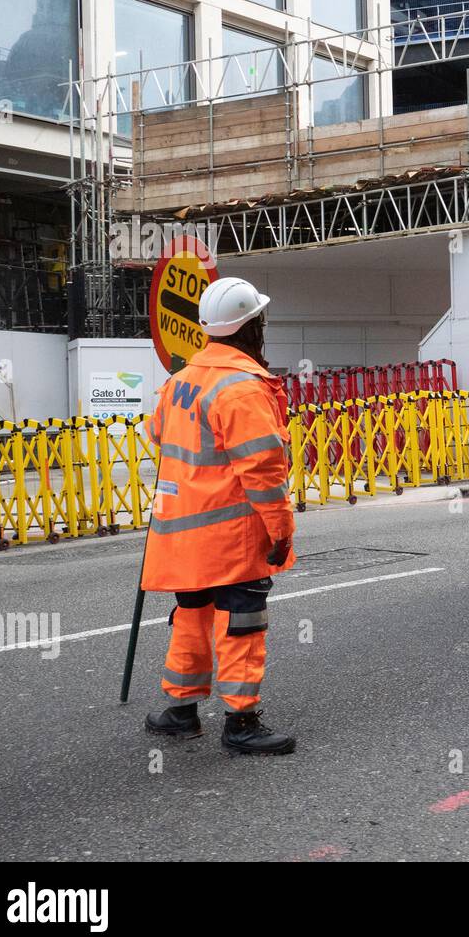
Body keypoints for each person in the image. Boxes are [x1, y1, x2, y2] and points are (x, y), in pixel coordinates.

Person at [142, 276, 298, 756]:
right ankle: (241, 722)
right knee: (242, 622)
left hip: (181, 533)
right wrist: (281, 531)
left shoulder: (180, 382)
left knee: (191, 616)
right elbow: (264, 470)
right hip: (232, 535)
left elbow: (158, 435)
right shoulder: (242, 388)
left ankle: (181, 712)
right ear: (252, 326)